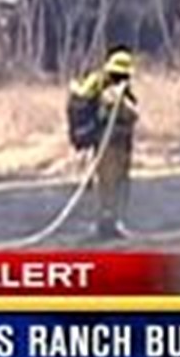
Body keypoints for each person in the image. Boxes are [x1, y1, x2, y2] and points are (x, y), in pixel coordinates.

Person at [67, 47, 139, 240]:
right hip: (109, 144)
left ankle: (110, 222)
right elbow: (129, 114)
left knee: (113, 183)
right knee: (110, 183)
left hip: (115, 143)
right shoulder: (110, 92)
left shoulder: (105, 86)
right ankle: (107, 223)